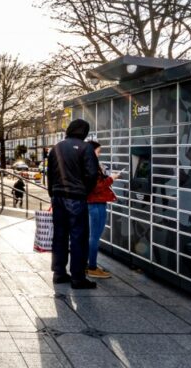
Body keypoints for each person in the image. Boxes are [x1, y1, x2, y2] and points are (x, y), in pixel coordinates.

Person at [46, 118, 100, 289]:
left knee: (59, 236)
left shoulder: (56, 148)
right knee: (78, 237)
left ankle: (59, 273)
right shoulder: (86, 148)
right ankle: (78, 278)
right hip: (76, 198)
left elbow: (50, 174)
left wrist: (52, 193)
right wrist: (84, 191)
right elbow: (92, 174)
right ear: (84, 132)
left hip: (58, 197)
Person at [86, 140, 117, 280]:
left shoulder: (85, 164)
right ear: (92, 151)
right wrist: (111, 178)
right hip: (97, 204)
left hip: (92, 203)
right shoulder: (92, 165)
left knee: (91, 236)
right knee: (94, 237)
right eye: (98, 151)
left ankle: (88, 265)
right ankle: (92, 267)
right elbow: (97, 187)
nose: (99, 154)